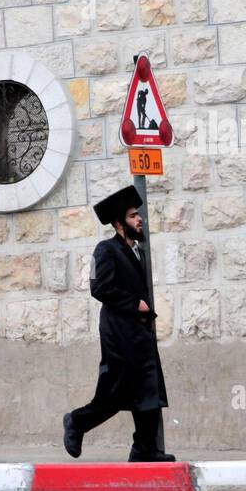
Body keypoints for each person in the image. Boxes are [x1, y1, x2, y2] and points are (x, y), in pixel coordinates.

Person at [63, 184, 174, 462]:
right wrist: (134, 303)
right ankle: (77, 422)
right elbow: (99, 287)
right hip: (118, 333)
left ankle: (144, 450)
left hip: (139, 331)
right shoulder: (106, 249)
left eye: (139, 215)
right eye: (134, 215)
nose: (140, 220)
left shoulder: (139, 251)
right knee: (116, 390)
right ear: (119, 223)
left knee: (148, 387)